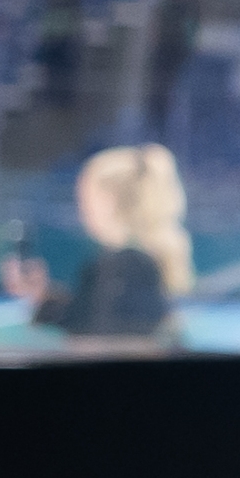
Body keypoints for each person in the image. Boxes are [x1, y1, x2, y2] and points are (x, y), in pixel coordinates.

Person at [63, 141, 191, 339]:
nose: (81, 211)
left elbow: (109, 337)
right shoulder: (146, 262)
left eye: (84, 199)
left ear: (108, 200)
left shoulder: (121, 269)